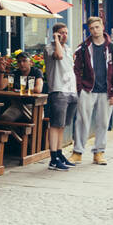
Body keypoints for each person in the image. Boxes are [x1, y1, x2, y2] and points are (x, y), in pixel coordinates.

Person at [72, 15, 113, 165]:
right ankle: (77, 152)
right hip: (88, 90)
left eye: (97, 27)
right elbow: (76, 69)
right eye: (92, 28)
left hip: (106, 91)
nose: (95, 30)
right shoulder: (84, 47)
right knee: (82, 121)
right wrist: (79, 88)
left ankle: (99, 152)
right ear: (89, 30)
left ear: (102, 27)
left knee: (103, 122)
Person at [44, 22, 78, 170]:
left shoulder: (68, 49)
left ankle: (59, 153)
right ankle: (53, 158)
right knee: (55, 124)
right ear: (56, 34)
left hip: (71, 90)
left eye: (66, 33)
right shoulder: (49, 48)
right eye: (61, 33)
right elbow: (58, 56)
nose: (65, 35)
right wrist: (56, 41)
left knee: (62, 125)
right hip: (58, 90)